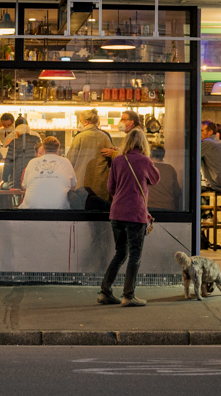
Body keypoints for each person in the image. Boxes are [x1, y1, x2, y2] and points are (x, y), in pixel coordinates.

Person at [98, 128, 159, 307]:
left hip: (116, 213)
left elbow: (111, 187)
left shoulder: (117, 160)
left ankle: (105, 292)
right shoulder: (145, 161)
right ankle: (128, 295)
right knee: (135, 255)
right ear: (143, 144)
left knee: (120, 253)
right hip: (135, 213)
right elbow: (155, 179)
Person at [19, 137, 77, 209]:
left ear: (43, 149)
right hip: (60, 211)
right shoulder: (66, 162)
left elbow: (24, 187)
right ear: (58, 149)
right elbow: (73, 187)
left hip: (31, 210)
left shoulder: (32, 162)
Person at [65, 108, 112, 187]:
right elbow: (111, 160)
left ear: (86, 122)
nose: (79, 124)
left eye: (80, 121)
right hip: (100, 182)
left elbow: (71, 160)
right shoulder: (104, 137)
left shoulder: (79, 137)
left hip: (82, 182)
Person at [3, 116, 40, 189]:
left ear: (17, 133)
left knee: (8, 188)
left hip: (19, 178)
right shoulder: (37, 140)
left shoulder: (14, 142)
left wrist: (4, 178)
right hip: (36, 176)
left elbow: (9, 163)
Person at [200, 120, 221, 194]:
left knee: (187, 187)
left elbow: (192, 156)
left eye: (202, 130)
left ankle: (200, 205)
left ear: (210, 132)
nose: (199, 133)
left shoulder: (207, 143)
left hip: (215, 185)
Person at [147, 144, 181, 212]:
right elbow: (177, 192)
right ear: (163, 156)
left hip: (149, 208)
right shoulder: (170, 169)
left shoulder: (146, 168)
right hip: (168, 208)